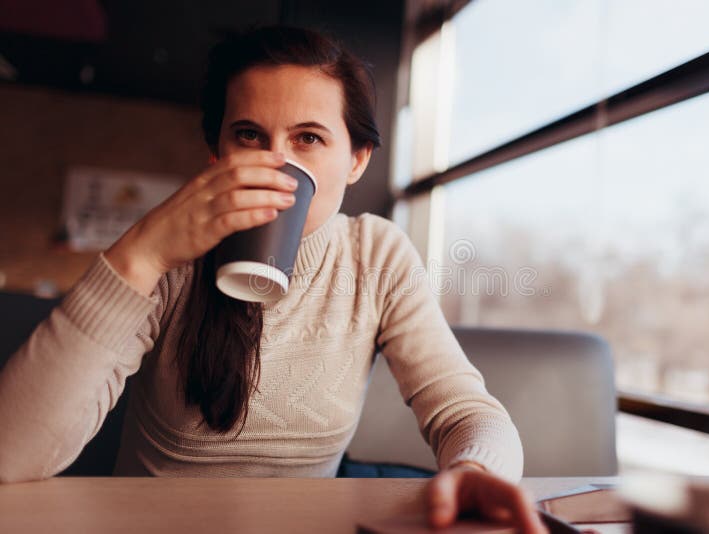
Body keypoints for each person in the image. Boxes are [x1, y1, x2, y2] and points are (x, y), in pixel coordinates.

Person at [0, 25, 546, 533]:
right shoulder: (171, 259)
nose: (275, 161)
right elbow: (9, 454)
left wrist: (477, 469)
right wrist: (143, 253)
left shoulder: (375, 254)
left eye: (308, 138)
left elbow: (464, 411)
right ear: (217, 153)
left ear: (356, 160)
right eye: (249, 135)